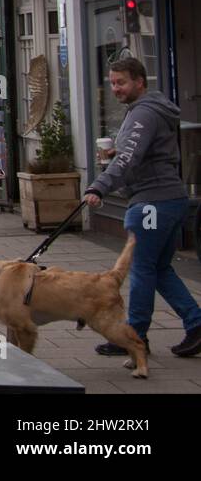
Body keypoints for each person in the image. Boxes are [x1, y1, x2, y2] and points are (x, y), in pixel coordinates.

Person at [84, 57, 201, 358]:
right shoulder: (148, 111)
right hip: (167, 198)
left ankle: (133, 336)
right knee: (158, 268)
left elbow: (129, 159)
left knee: (140, 268)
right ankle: (196, 324)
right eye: (112, 83)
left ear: (139, 81)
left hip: (153, 202)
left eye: (121, 82)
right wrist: (116, 152)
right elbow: (137, 153)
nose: (115, 89)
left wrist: (100, 186)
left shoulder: (143, 115)